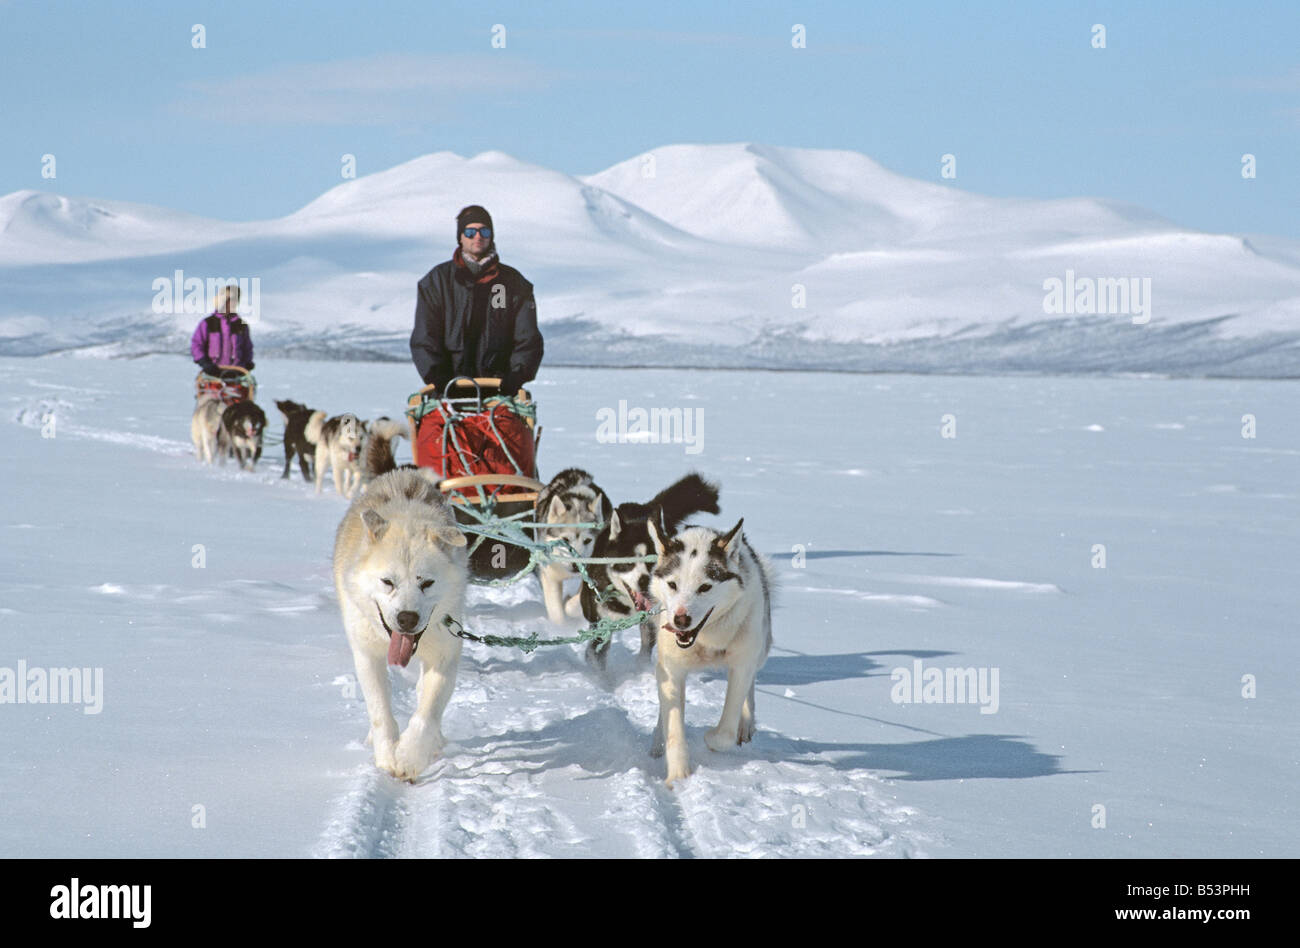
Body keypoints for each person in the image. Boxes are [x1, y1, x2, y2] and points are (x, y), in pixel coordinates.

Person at [410, 205, 543, 397]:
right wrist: (436, 375)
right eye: (470, 232)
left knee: (509, 428)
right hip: (447, 389)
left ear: (491, 235)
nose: (478, 237)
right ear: (460, 237)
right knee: (435, 428)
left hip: (500, 390)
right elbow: (425, 337)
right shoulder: (437, 281)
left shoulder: (513, 283)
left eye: (484, 231)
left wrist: (516, 376)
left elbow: (527, 338)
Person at [191, 284, 254, 377]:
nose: (229, 303)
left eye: (233, 300)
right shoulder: (207, 323)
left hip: (237, 374)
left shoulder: (242, 326)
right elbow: (196, 344)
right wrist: (203, 362)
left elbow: (247, 348)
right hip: (213, 373)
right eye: (226, 299)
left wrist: (248, 362)